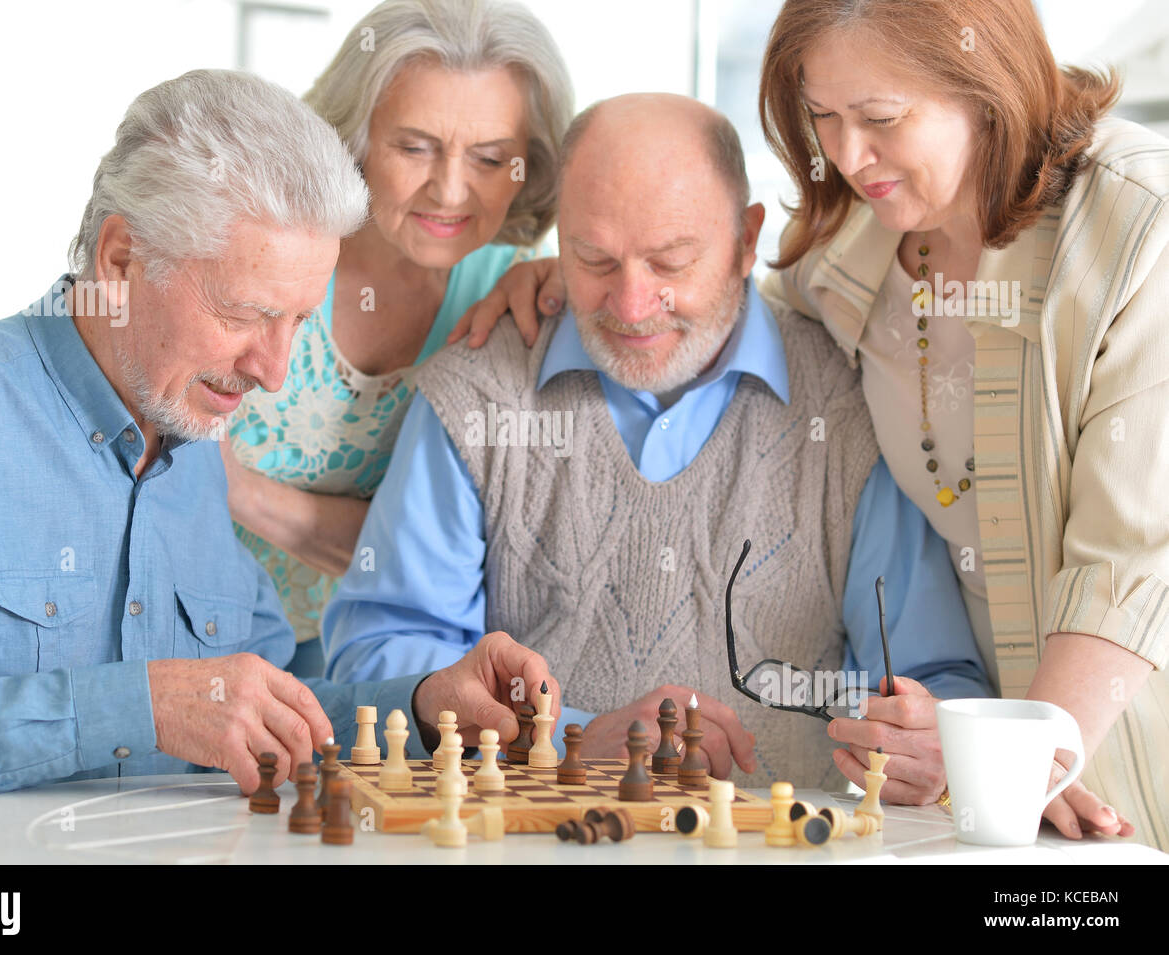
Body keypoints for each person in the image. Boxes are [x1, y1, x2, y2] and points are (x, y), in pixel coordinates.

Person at [459, 0, 1168, 849]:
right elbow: (704, 302)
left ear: (986, 83)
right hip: (988, 767)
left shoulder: (1138, 225)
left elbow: (1133, 560)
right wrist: (582, 275)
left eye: (880, 118)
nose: (847, 155)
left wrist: (1036, 756)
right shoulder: (840, 250)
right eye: (824, 116)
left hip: (1118, 728)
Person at [0, 69, 558, 862]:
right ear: (121, 259)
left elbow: (276, 705)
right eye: (246, 314)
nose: (273, 370)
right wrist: (139, 708)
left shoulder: (195, 443)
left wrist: (427, 704)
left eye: (299, 318)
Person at [0, 0, 574, 678]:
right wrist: (144, 708)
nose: (451, 190)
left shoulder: (516, 304)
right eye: (415, 146)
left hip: (329, 658)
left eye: (491, 157)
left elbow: (423, 572)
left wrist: (421, 704)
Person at [322, 93, 992, 790]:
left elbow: (937, 675)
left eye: (671, 261)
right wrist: (572, 739)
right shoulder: (476, 395)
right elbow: (378, 665)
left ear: (747, 241)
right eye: (594, 259)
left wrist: (931, 739)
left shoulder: (851, 405)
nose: (632, 306)